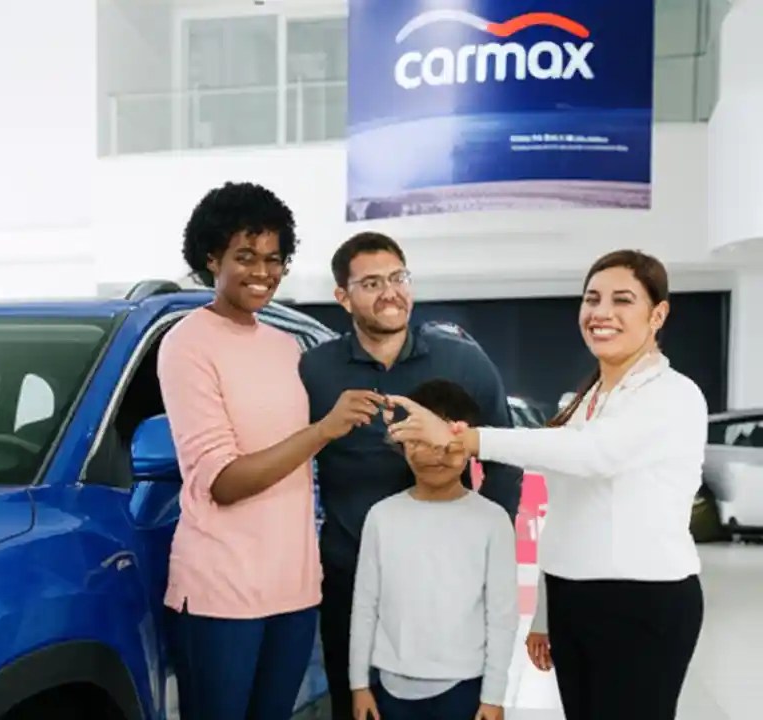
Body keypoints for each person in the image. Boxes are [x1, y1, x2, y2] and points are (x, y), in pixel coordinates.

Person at [386, 249, 706, 720]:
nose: (601, 313)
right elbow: (567, 509)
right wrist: (543, 612)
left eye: (622, 300)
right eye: (591, 299)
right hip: (574, 595)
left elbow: (594, 456)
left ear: (657, 314)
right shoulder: (588, 398)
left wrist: (469, 439)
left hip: (643, 600)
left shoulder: (672, 394)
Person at [157, 182, 383, 719]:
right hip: (221, 594)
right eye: (245, 256)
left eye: (273, 258)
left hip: (295, 591)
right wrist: (324, 429)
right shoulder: (187, 343)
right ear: (211, 257)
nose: (262, 271)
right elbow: (223, 481)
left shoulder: (285, 346)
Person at [297, 231, 523, 716]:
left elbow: (503, 455)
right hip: (350, 576)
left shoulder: (463, 362)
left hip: (448, 585)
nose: (390, 292)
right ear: (343, 296)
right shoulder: (314, 371)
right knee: (355, 704)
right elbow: (292, 460)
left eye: (398, 277)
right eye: (372, 282)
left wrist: (485, 539)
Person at [350, 378, 516, 720]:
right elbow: (365, 604)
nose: (433, 455)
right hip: (389, 685)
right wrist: (359, 684)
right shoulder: (382, 516)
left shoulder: (491, 520)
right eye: (419, 443)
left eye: (445, 444)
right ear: (402, 443)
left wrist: (494, 696)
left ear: (470, 444)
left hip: (464, 685)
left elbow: (502, 615)